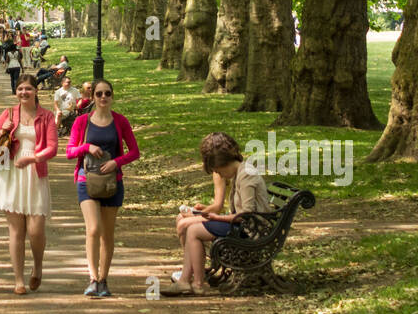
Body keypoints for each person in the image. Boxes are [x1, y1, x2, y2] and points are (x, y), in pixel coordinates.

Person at [161, 132, 271, 296]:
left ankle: (195, 283)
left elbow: (246, 214)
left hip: (251, 230)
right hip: (244, 225)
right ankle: (188, 281)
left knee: (194, 230)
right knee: (193, 227)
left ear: (223, 164)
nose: (219, 175)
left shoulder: (246, 175)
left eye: (218, 171)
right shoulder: (241, 171)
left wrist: (217, 218)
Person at [66, 79, 139, 297]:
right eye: (99, 94)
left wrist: (117, 162)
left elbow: (134, 151)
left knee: (107, 233)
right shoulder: (82, 122)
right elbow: (70, 151)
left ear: (112, 96)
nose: (103, 97)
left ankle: (104, 280)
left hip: (112, 182)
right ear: (93, 96)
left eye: (107, 93)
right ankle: (92, 278)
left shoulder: (120, 121)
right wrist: (87, 146)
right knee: (94, 229)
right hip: (86, 180)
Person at [0, 74, 56, 294]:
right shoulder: (9, 113)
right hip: (11, 173)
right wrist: (2, 130)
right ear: (16, 92)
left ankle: (37, 266)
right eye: (20, 89)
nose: (24, 93)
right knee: (16, 230)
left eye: (28, 89)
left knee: (35, 231)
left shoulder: (46, 116)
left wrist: (33, 159)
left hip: (35, 173)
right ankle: (18, 280)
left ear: (36, 91)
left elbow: (52, 148)